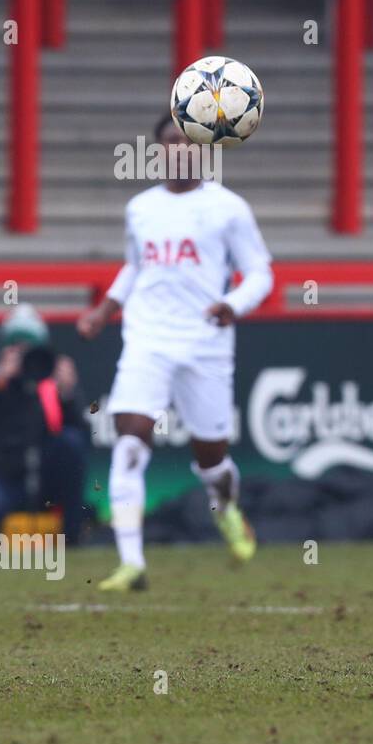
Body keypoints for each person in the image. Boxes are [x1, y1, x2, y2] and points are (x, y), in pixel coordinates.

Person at [76, 114, 274, 591]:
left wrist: (234, 303)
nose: (178, 150)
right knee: (130, 437)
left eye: (187, 142)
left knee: (211, 458)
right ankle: (131, 563)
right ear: (157, 150)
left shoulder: (228, 208)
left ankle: (226, 510)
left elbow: (261, 271)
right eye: (169, 142)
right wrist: (104, 312)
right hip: (147, 339)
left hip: (205, 344)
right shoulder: (141, 208)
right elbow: (135, 267)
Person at [0, 304, 88, 537]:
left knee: (70, 442)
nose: (25, 356)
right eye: (17, 348)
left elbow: (80, 439)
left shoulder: (50, 382)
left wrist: (68, 396)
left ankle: (73, 536)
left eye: (30, 349)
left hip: (41, 477)